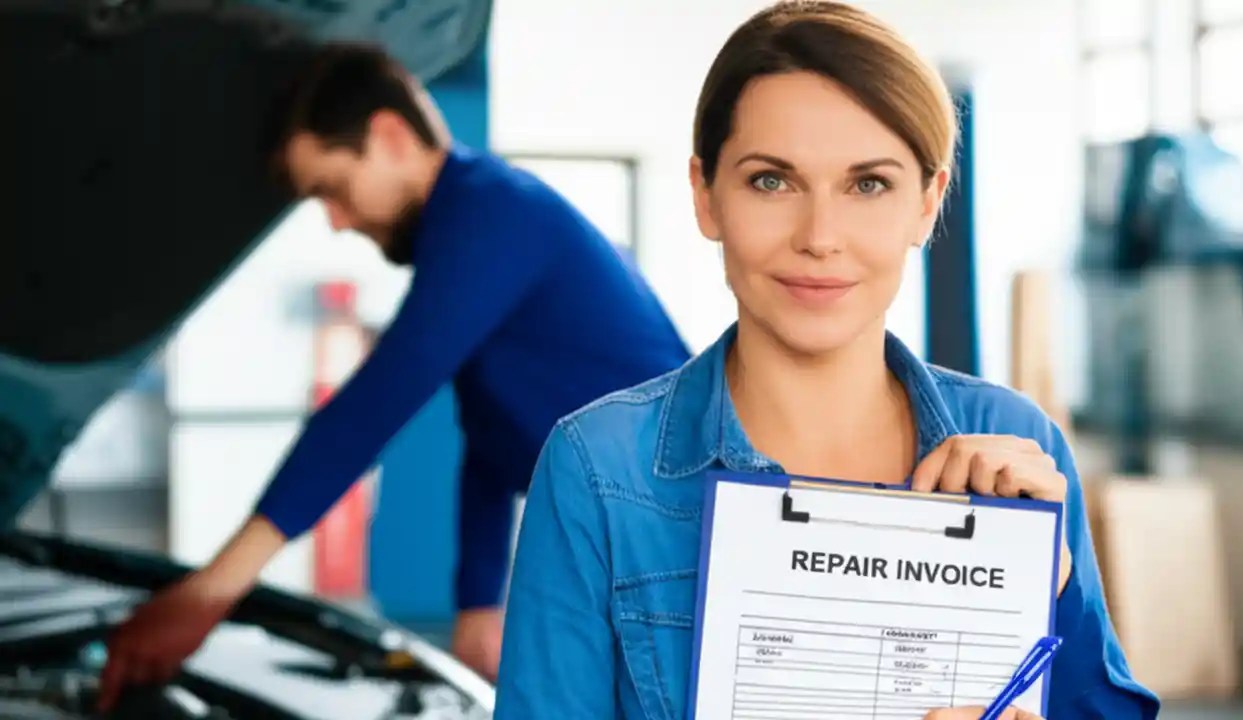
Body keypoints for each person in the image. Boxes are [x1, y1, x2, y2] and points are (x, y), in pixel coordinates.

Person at [493, 2, 1161, 719]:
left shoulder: (1017, 443)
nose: (819, 236)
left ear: (928, 203)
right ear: (705, 195)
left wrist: (1054, 588)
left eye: (868, 184)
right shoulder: (599, 467)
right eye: (771, 181)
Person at [96, 41, 691, 711]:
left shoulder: (494, 213)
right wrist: (477, 603)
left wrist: (209, 593)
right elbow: (490, 442)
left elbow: (372, 407)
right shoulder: (471, 228)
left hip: (681, 545)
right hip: (631, 544)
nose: (337, 221)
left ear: (390, 137)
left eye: (332, 189)